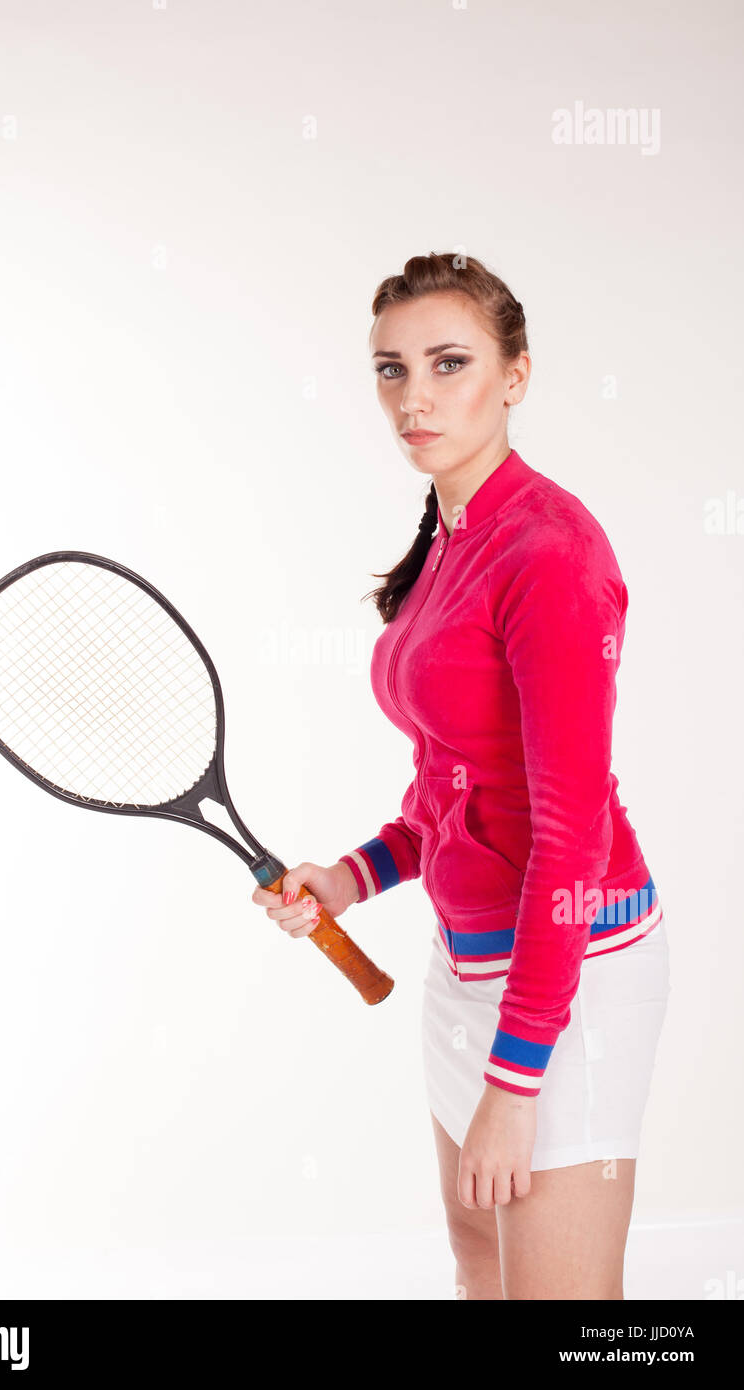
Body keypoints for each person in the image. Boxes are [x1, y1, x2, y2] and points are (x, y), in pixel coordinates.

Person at [250, 251, 670, 1300]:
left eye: (448, 363)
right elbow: (457, 790)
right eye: (390, 370)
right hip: (466, 964)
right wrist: (350, 876)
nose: (414, 397)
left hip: (569, 976)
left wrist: (516, 1078)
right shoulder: (445, 536)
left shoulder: (547, 551)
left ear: (514, 375)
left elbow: (564, 832)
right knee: (479, 1259)